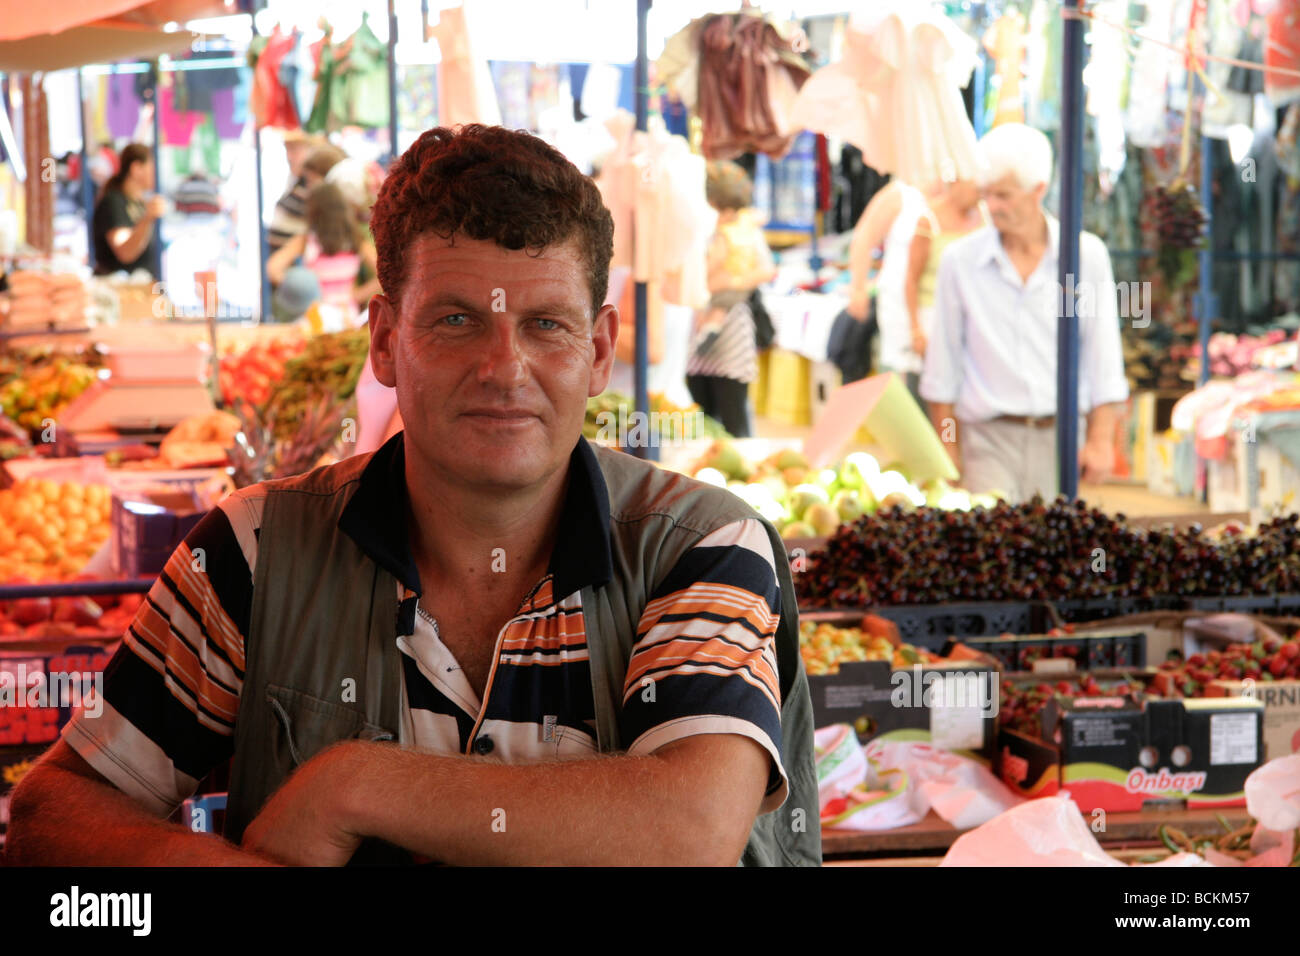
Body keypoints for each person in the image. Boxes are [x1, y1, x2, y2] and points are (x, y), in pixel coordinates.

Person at [8, 124, 819, 868]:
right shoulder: (254, 551)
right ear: (386, 341)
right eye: (457, 320)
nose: (504, 369)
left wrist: (353, 787)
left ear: (600, 350)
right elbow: (51, 816)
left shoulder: (702, 546)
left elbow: (692, 824)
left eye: (545, 325)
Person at [920, 123, 1129, 502]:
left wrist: (1100, 441)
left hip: (1061, 439)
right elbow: (942, 370)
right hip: (985, 439)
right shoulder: (960, 261)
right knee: (992, 550)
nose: (992, 206)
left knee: (1055, 552)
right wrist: (947, 446)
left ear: (1039, 191)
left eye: (1004, 195)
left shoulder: (1085, 257)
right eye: (987, 195)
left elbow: (1103, 357)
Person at [685, 160, 776, 438]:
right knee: (704, 410)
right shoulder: (711, 230)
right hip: (705, 321)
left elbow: (766, 269)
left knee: (731, 411)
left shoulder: (739, 232)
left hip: (729, 324)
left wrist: (729, 280)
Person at [903, 173, 986, 395]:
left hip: (974, 318)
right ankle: (944, 431)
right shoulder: (929, 221)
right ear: (956, 181)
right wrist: (915, 330)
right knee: (937, 389)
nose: (980, 193)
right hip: (933, 318)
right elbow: (911, 278)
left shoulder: (984, 216)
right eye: (975, 187)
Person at [842, 179, 929, 383]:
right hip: (899, 306)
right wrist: (858, 289)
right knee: (902, 375)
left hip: (936, 306)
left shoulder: (957, 189)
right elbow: (864, 238)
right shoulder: (901, 193)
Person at [266, 182, 379, 312]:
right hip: (347, 315)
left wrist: (302, 288)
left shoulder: (306, 241)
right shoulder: (356, 240)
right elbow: (383, 274)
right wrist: (356, 295)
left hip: (316, 315)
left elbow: (272, 269)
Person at [266, 142, 346, 266]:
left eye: (311, 180)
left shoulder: (321, 211)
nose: (290, 156)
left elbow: (274, 268)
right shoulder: (300, 189)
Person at [92, 143, 165, 278]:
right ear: (136, 168)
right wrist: (147, 219)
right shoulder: (114, 202)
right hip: (120, 289)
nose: (156, 173)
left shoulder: (141, 203)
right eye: (151, 167)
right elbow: (125, 252)